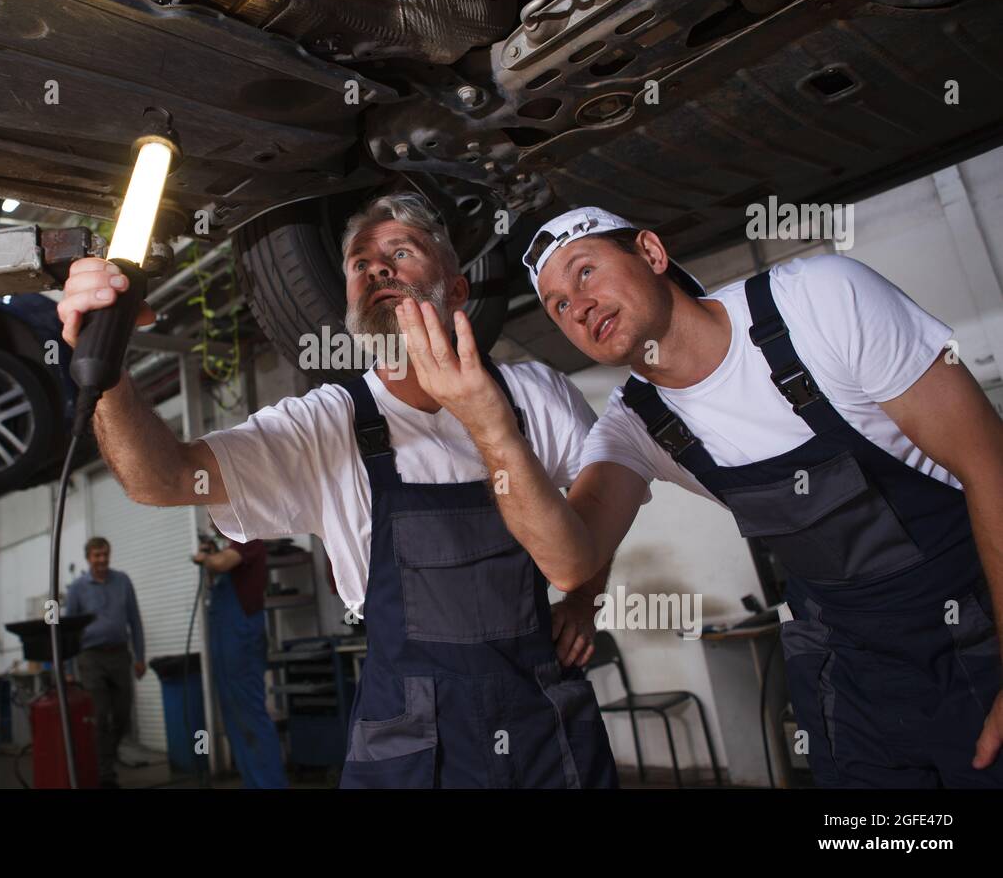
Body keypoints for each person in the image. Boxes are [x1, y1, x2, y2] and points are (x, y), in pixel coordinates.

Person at [397, 204, 1003, 787]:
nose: (578, 306)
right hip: (851, 669)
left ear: (652, 252)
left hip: (979, 634)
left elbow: (989, 466)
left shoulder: (818, 302)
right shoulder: (636, 425)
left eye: (585, 271)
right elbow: (568, 558)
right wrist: (488, 425)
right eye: (557, 305)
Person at [57, 192, 618, 788]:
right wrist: (107, 362)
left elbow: (600, 510)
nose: (377, 267)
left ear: (456, 289)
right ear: (349, 299)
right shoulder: (324, 425)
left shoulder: (536, 394)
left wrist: (583, 600)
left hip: (542, 720)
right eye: (358, 263)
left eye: (401, 252)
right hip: (408, 735)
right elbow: (159, 480)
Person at [193, 527, 288, 788]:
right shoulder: (231, 546)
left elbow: (223, 563)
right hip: (227, 644)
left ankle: (270, 784)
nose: (212, 521)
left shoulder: (248, 539)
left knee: (251, 715)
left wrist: (204, 559)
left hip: (240, 642)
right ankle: (254, 782)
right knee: (235, 716)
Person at [65, 536, 146, 788]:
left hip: (120, 655)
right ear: (88, 558)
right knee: (99, 716)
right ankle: (105, 774)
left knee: (122, 715)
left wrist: (140, 656)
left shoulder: (122, 581)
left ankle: (105, 759)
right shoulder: (77, 588)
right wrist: (68, 668)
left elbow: (135, 620)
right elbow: (68, 629)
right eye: (96, 555)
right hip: (91, 658)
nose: (101, 559)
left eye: (105, 554)